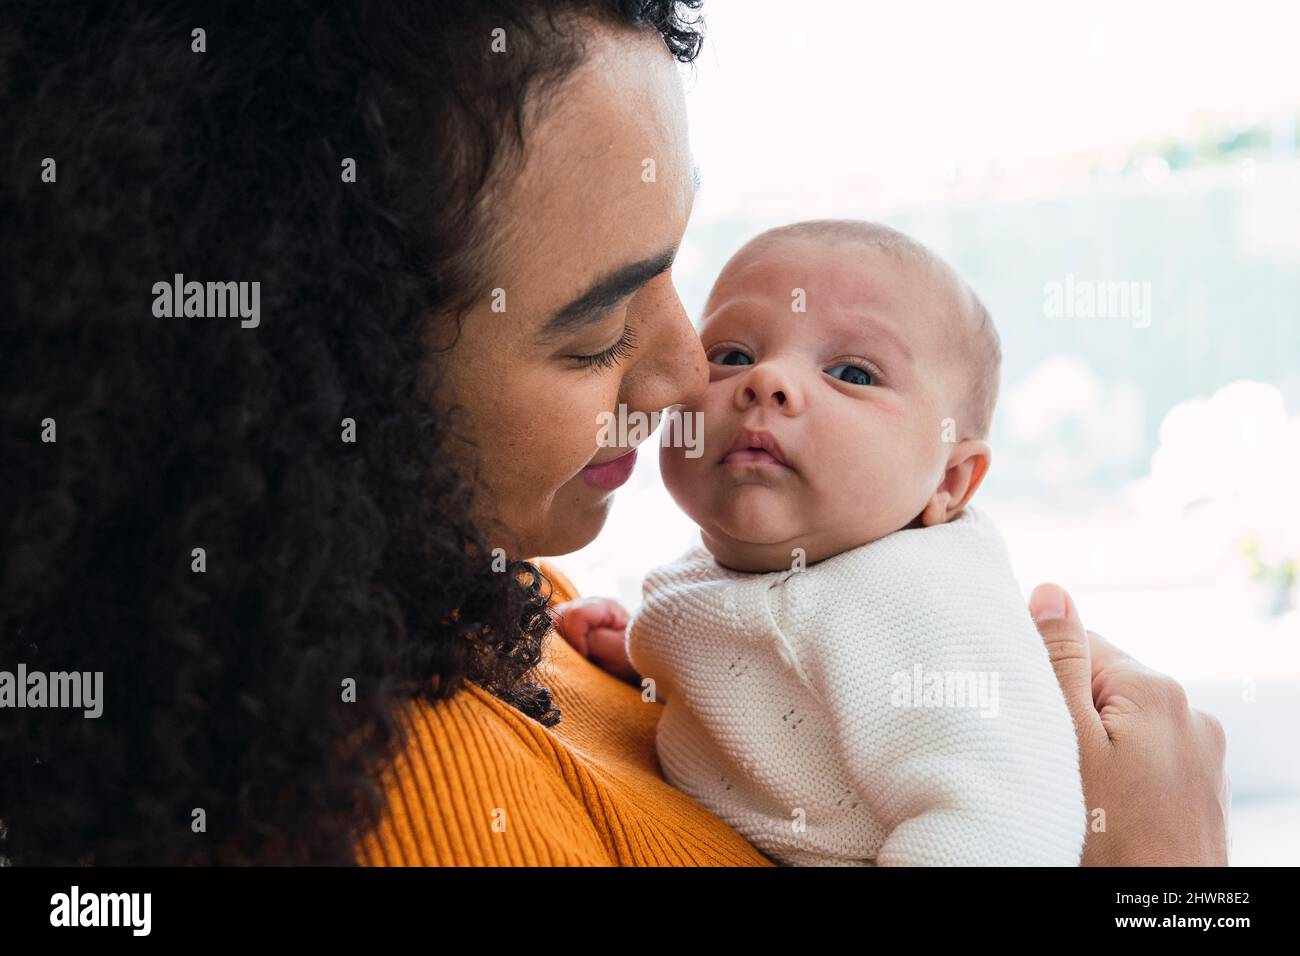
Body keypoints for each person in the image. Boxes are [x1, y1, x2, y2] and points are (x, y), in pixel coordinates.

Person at [0, 0, 1228, 866]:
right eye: (593, 332)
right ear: (322, 375)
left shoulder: (464, 578)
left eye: (672, 271)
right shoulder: (409, 799)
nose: (696, 370)